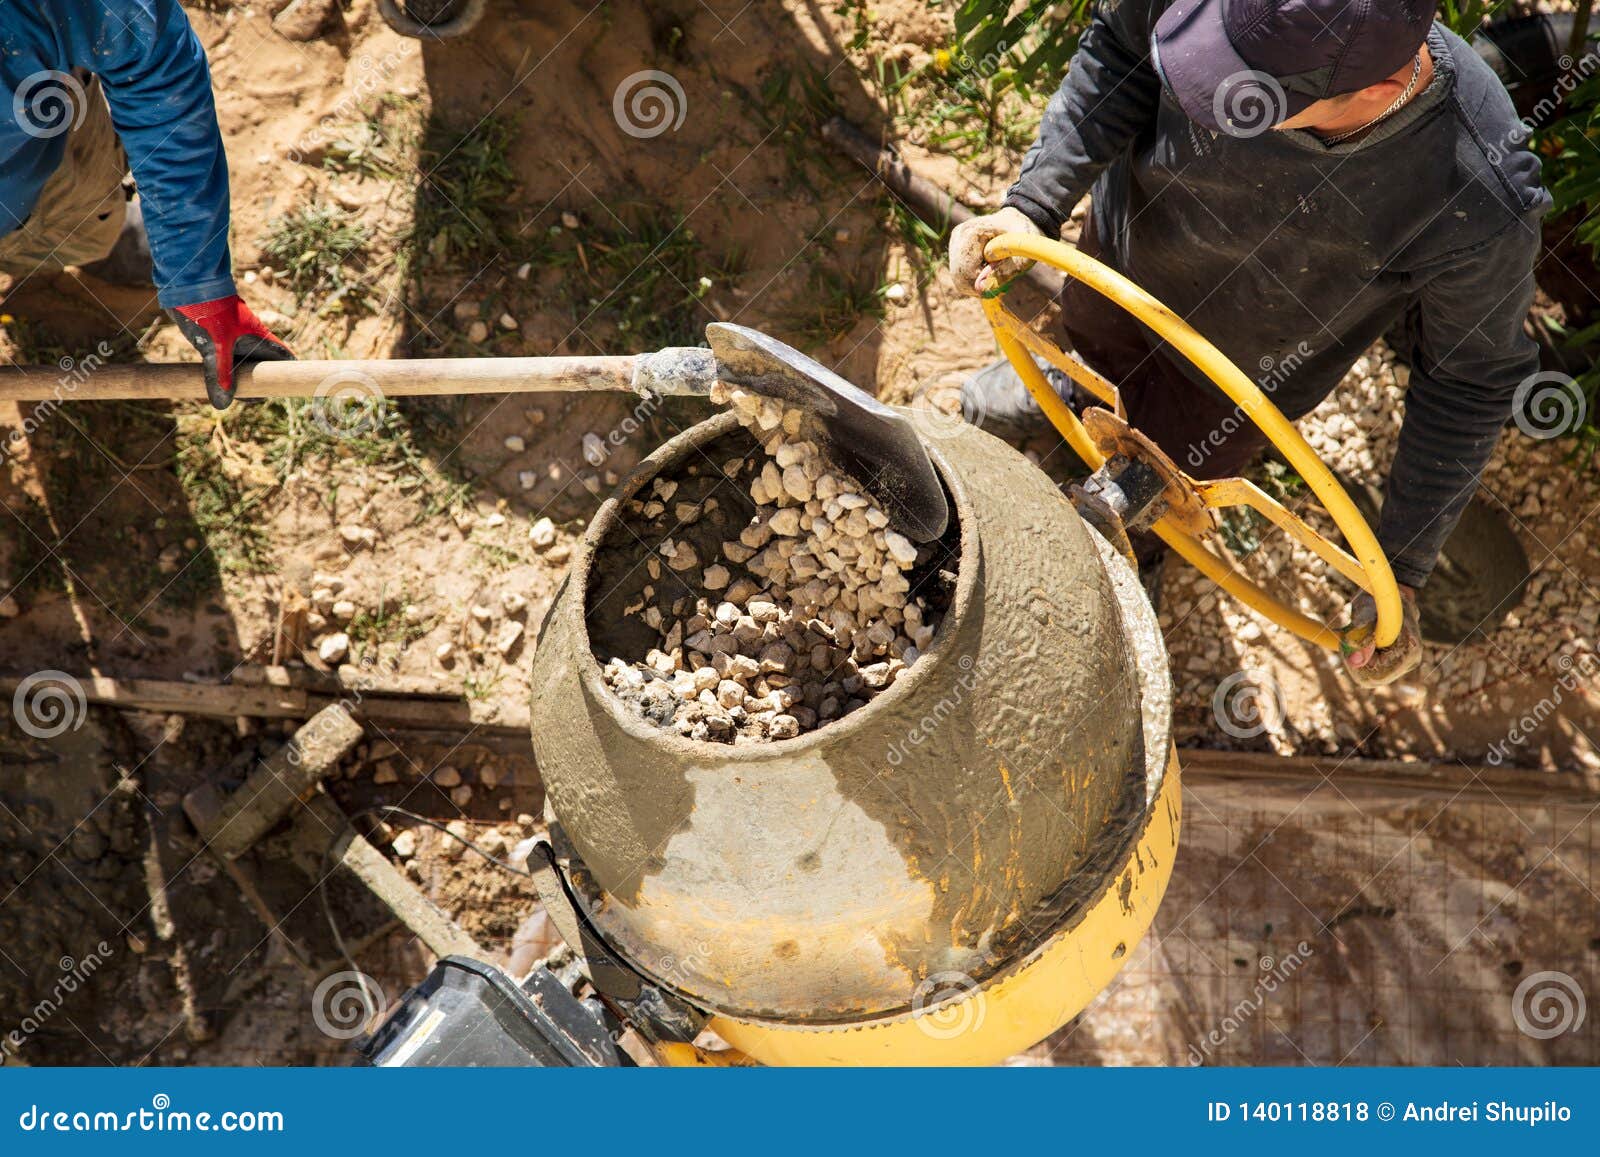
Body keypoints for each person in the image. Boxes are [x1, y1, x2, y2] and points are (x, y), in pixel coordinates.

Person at [949, 0, 1550, 687]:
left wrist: (1402, 570)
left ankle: (1141, 527)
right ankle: (1065, 388)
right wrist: (1031, 204)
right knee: (1087, 350)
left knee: (1170, 472)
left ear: (1380, 90)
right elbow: (1121, 48)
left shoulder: (1475, 197)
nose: (1208, 91)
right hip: (1117, 269)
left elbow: (1466, 380)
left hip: (1231, 389)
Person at [1, 0, 290, 410]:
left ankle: (95, 234)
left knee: (86, 226)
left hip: (46, 159)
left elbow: (155, 73)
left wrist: (195, 280)